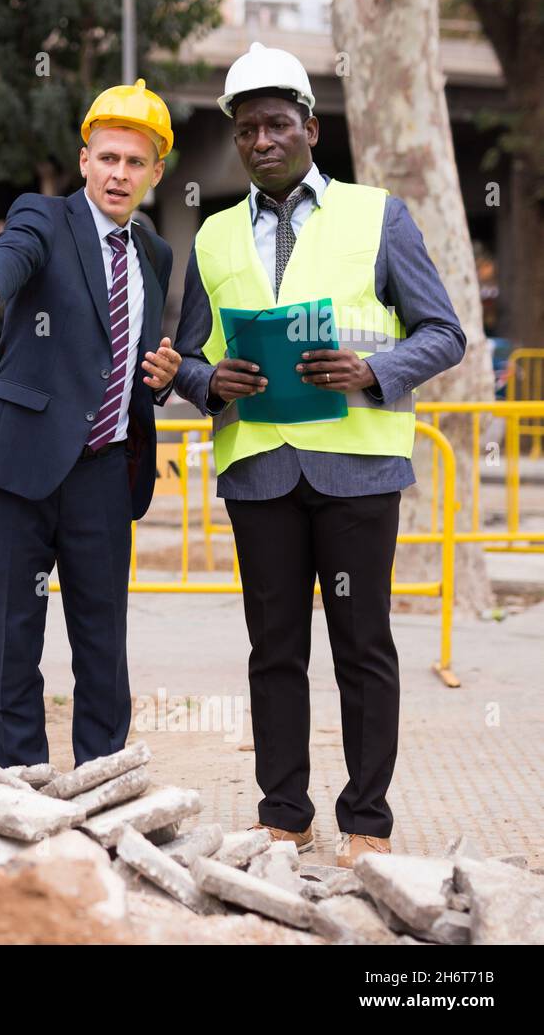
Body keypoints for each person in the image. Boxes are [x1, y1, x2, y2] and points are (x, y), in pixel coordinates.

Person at [171, 43, 466, 868]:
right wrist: (209, 381)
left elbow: (445, 332)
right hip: (260, 471)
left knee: (362, 645)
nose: (261, 140)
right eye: (245, 129)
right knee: (274, 648)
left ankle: (366, 820)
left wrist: (374, 370)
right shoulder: (215, 235)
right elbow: (187, 355)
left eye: (276, 123)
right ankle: (283, 815)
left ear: (311, 126)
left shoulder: (380, 216)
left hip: (357, 469)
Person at [0, 80, 182, 768]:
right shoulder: (43, 217)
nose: (119, 174)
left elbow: (127, 353)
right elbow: (10, 254)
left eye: (135, 163)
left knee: (103, 643)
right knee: (17, 635)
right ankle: (22, 786)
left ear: (156, 173)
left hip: (106, 469)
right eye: (107, 157)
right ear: (84, 160)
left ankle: (103, 785)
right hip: (21, 466)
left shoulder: (155, 255)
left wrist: (161, 375)